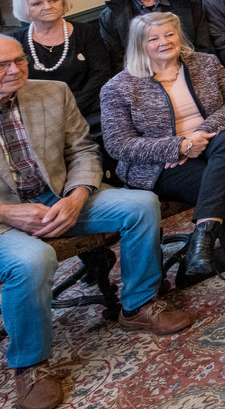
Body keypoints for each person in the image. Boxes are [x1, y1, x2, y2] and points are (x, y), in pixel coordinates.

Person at [0, 34, 192, 409]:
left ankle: (138, 305)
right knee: (33, 259)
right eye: (2, 65)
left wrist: (76, 196)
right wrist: (8, 212)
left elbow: (83, 150)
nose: (15, 70)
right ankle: (30, 365)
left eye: (20, 60)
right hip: (4, 215)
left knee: (141, 204)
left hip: (57, 195)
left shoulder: (52, 91)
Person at [99, 13, 225, 300]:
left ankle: (204, 238)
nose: (164, 42)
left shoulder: (205, 63)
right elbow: (118, 144)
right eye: (154, 38)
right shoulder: (119, 87)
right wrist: (179, 146)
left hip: (213, 144)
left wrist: (199, 135)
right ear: (139, 44)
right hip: (161, 165)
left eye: (170, 34)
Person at [10, 0, 111, 146]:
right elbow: (15, 85)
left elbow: (100, 75)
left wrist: (71, 110)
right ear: (24, 9)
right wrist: (49, 116)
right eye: (37, 3)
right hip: (39, 115)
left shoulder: (87, 32)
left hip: (89, 109)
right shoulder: (15, 42)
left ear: (63, 3)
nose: (48, 6)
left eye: (54, 0)